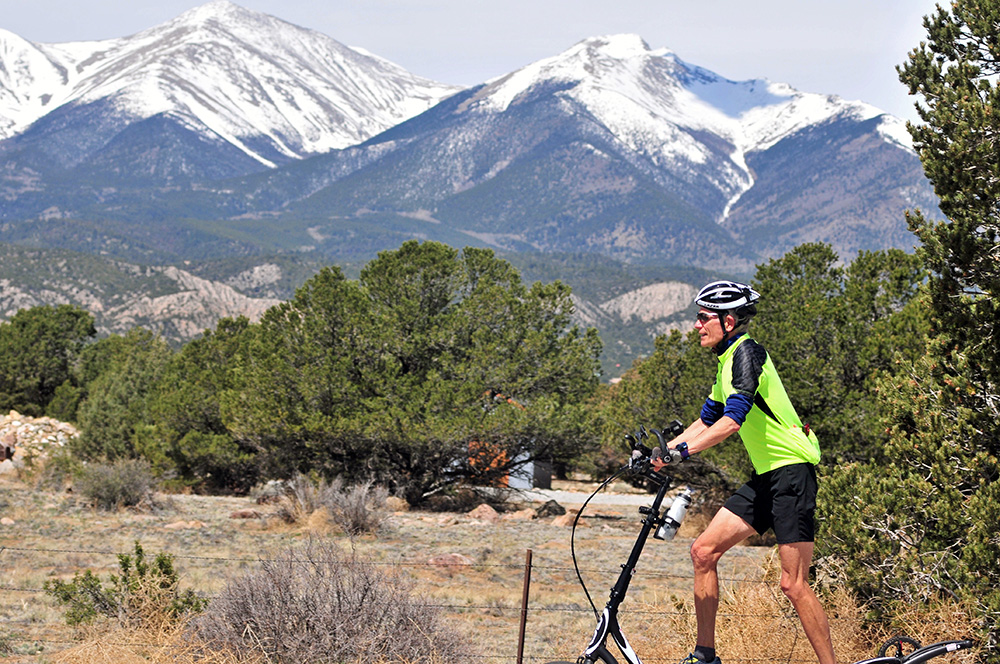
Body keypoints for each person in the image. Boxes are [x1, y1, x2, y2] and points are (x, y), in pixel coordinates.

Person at [650, 280, 836, 664]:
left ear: (728, 320)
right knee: (703, 552)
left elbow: (732, 422)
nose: (697, 326)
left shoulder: (747, 354)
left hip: (792, 474)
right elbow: (706, 421)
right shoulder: (727, 361)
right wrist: (658, 453)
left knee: (793, 584)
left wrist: (681, 452)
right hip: (768, 477)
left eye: (704, 318)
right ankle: (705, 656)